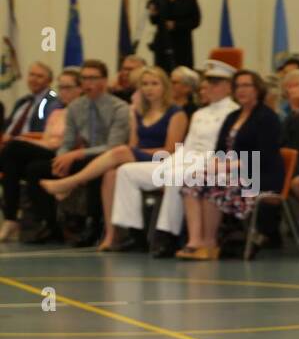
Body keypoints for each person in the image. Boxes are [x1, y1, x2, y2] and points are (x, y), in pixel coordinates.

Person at [39, 65, 187, 251]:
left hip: (165, 160)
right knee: (110, 174)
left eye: (154, 84)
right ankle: (113, 235)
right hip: (138, 160)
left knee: (120, 151)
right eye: (145, 84)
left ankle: (70, 183)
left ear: (164, 87)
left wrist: (134, 153)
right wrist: (132, 153)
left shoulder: (176, 113)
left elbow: (170, 149)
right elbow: (133, 145)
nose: (149, 88)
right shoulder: (138, 113)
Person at [108, 58, 238, 256]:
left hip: (210, 165)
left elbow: (223, 150)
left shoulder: (234, 112)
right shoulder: (200, 114)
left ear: (228, 87)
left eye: (215, 83)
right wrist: (170, 163)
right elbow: (187, 147)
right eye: (207, 83)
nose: (207, 88)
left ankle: (166, 235)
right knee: (126, 171)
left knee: (177, 177)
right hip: (185, 159)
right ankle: (133, 232)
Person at [21, 59, 130, 245]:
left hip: (108, 156)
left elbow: (113, 145)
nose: (88, 83)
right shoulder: (75, 107)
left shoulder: (119, 108)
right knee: (35, 169)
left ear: (104, 80)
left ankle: (94, 225)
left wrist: (76, 154)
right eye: (84, 78)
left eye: (93, 78)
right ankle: (51, 224)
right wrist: (61, 158)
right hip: (81, 155)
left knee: (97, 168)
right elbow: (68, 142)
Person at [176, 69, 283, 259]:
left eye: (246, 85)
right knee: (191, 179)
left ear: (258, 88)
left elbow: (262, 156)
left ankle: (210, 243)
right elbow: (219, 151)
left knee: (214, 184)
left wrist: (224, 167)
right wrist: (212, 166)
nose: (241, 90)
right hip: (230, 172)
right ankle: (195, 241)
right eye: (237, 86)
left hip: (258, 175)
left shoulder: (267, 118)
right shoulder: (232, 116)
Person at [0, 68, 77, 242]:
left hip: (62, 152)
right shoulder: (51, 111)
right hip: (41, 149)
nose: (63, 92)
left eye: (68, 87)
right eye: (61, 87)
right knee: (21, 164)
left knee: (12, 150)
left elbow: (63, 140)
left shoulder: (54, 104)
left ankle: (11, 217)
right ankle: (14, 218)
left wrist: (22, 140)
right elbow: (45, 138)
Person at [147, 0, 201, 72]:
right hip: (162, 41)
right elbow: (154, 21)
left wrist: (176, 25)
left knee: (181, 71)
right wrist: (153, 13)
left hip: (181, 43)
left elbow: (195, 21)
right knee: (161, 72)